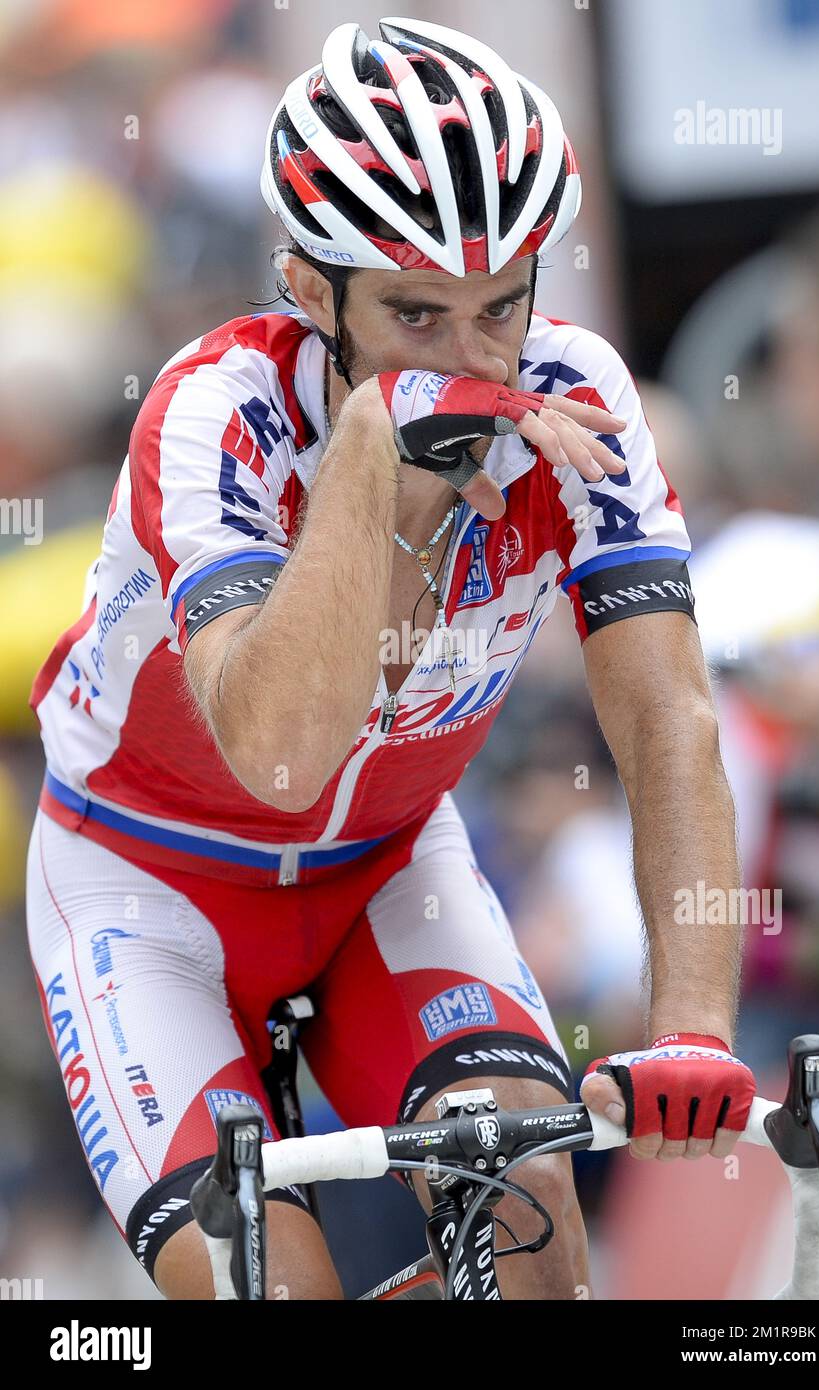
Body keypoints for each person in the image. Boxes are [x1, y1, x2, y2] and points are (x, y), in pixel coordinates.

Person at [26, 17, 754, 1300]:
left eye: (502, 307)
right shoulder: (217, 413)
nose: (474, 362)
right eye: (416, 315)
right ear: (312, 292)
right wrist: (371, 464)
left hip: (384, 874)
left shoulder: (574, 400)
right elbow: (284, 753)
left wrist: (690, 1027)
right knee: (270, 1285)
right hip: (149, 898)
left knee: (526, 1229)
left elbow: (666, 724)